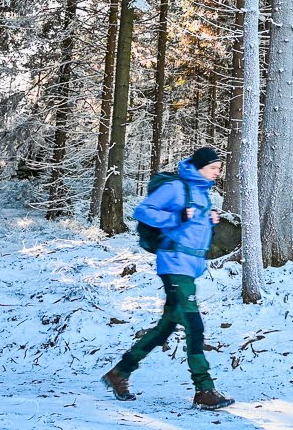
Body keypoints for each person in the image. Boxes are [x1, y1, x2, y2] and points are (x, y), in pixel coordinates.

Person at [101, 146, 235, 411]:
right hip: (174, 264)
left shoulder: (202, 194)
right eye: (213, 168)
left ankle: (120, 372)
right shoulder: (177, 188)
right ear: (198, 168)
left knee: (166, 328)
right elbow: (143, 211)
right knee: (194, 326)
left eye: (218, 168)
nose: (217, 173)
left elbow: (192, 228)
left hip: (187, 267)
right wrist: (177, 216)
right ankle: (204, 389)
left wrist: (209, 218)